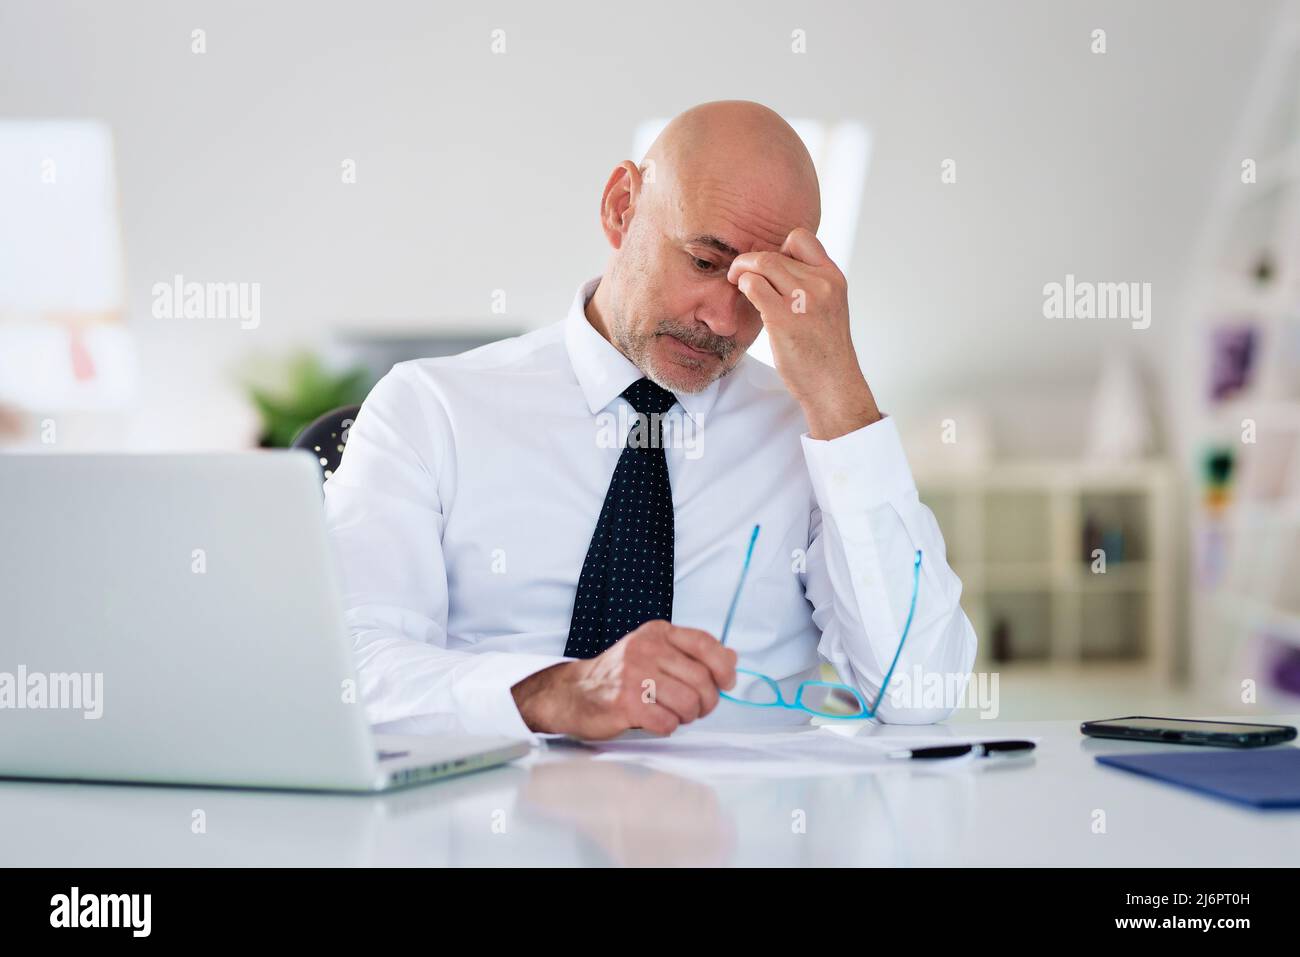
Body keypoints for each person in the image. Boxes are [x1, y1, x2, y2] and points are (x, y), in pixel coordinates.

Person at [323, 100, 977, 742]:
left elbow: (920, 692)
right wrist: (552, 691)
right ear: (620, 206)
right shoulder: (431, 409)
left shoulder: (809, 435)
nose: (722, 320)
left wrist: (841, 399)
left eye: (757, 284)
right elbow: (353, 667)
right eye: (703, 260)